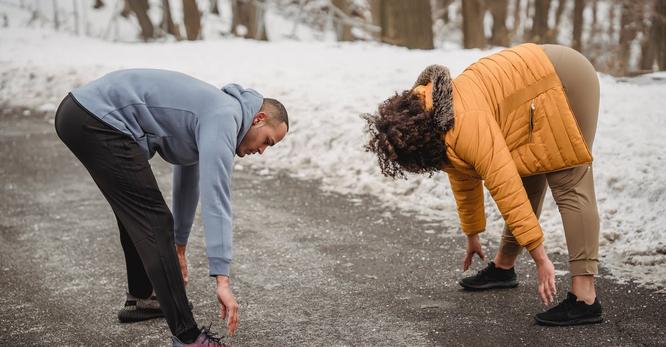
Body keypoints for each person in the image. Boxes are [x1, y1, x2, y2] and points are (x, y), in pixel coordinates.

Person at [362, 43, 602, 326]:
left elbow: (505, 187)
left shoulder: (464, 122)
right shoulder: (435, 116)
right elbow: (463, 175)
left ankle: (585, 296)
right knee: (527, 176)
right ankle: (504, 268)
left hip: (564, 78)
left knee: (569, 182)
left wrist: (541, 259)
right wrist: (473, 234)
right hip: (533, 91)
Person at [54, 69, 289, 345]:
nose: (261, 151)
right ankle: (188, 337)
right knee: (153, 220)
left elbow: (188, 179)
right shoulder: (226, 117)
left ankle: (142, 297)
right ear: (258, 119)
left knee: (137, 209)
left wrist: (179, 246)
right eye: (267, 141)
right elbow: (217, 198)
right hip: (96, 119)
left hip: (82, 113)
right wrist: (222, 279)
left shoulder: (217, 109)